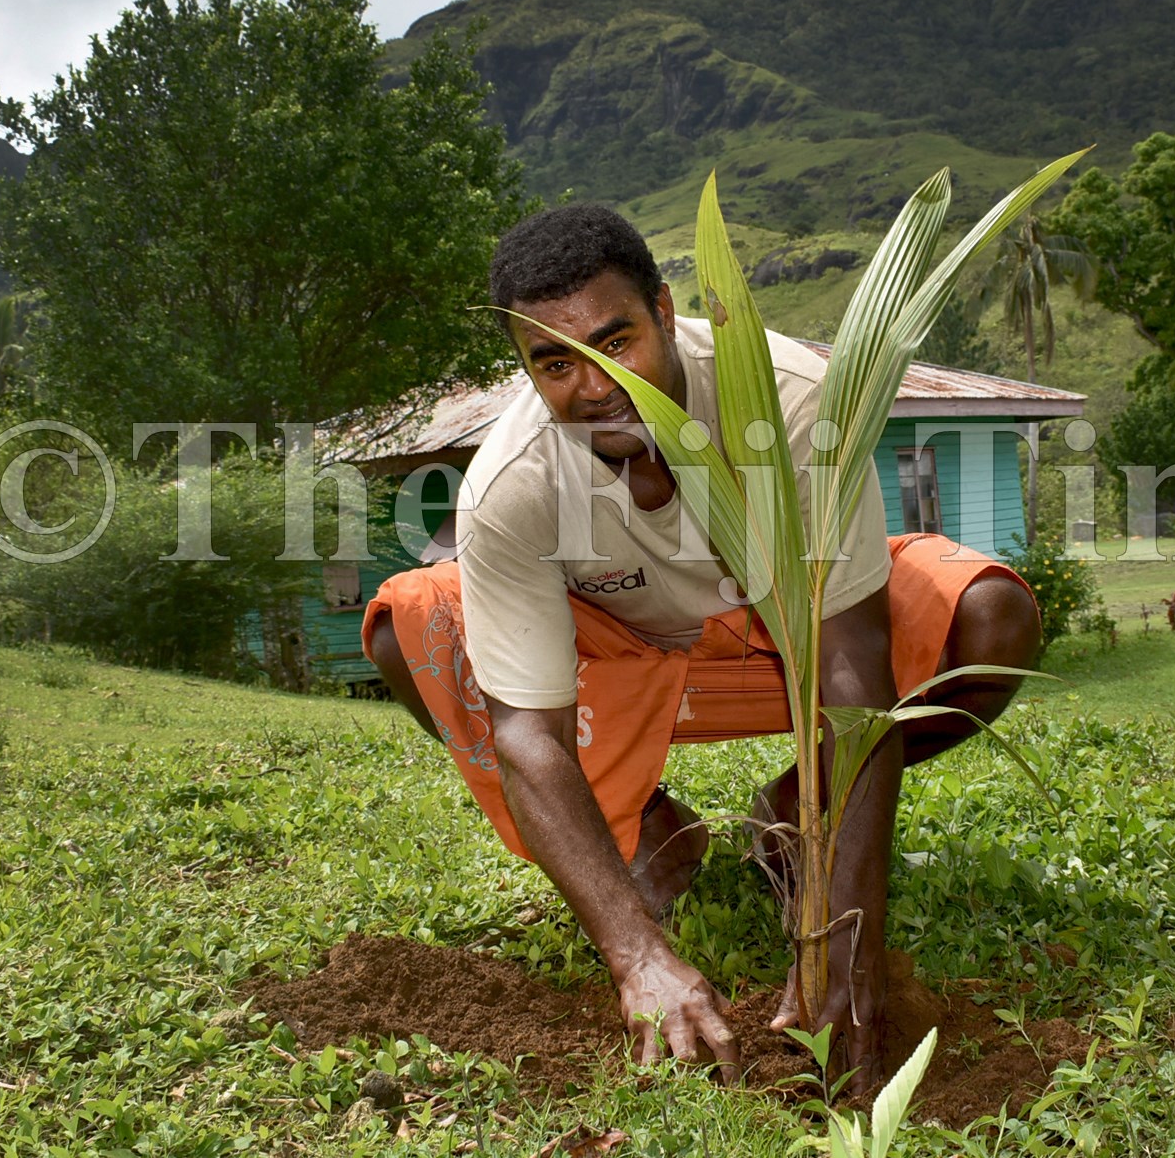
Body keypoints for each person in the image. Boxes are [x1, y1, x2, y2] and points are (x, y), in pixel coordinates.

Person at [363, 204, 1040, 1088]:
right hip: (627, 661)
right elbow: (527, 730)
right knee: (410, 620)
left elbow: (848, 662)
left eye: (617, 341)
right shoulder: (512, 483)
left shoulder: (792, 404)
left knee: (991, 615)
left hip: (789, 640)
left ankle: (791, 811)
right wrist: (636, 955)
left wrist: (846, 937)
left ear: (664, 307)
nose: (596, 385)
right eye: (555, 363)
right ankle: (647, 822)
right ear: (525, 369)